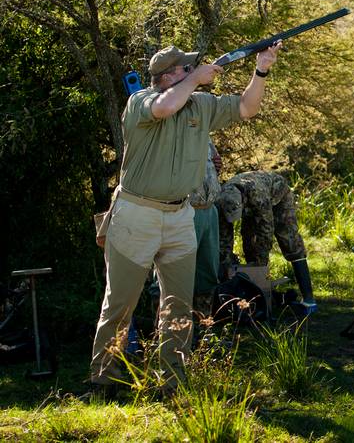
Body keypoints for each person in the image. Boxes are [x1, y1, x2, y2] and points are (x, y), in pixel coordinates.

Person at [89, 41, 281, 395]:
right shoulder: (143, 101)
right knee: (120, 303)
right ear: (168, 77)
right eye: (186, 69)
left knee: (178, 304)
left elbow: (246, 107)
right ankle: (104, 380)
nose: (194, 72)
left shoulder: (200, 104)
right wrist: (196, 79)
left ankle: (171, 381)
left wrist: (262, 69)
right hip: (137, 213)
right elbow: (164, 108)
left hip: (181, 215)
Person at [215, 171, 317, 312]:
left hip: (277, 195)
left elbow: (265, 232)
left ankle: (308, 299)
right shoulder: (221, 200)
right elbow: (223, 239)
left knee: (289, 240)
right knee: (249, 243)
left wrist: (260, 267)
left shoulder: (258, 196)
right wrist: (225, 264)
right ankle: (251, 297)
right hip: (250, 202)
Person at [190, 143, 222, 319]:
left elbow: (212, 167)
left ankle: (204, 330)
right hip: (185, 210)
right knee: (173, 274)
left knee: (208, 272)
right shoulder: (171, 128)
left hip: (209, 210)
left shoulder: (205, 137)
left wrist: (216, 167)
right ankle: (170, 334)